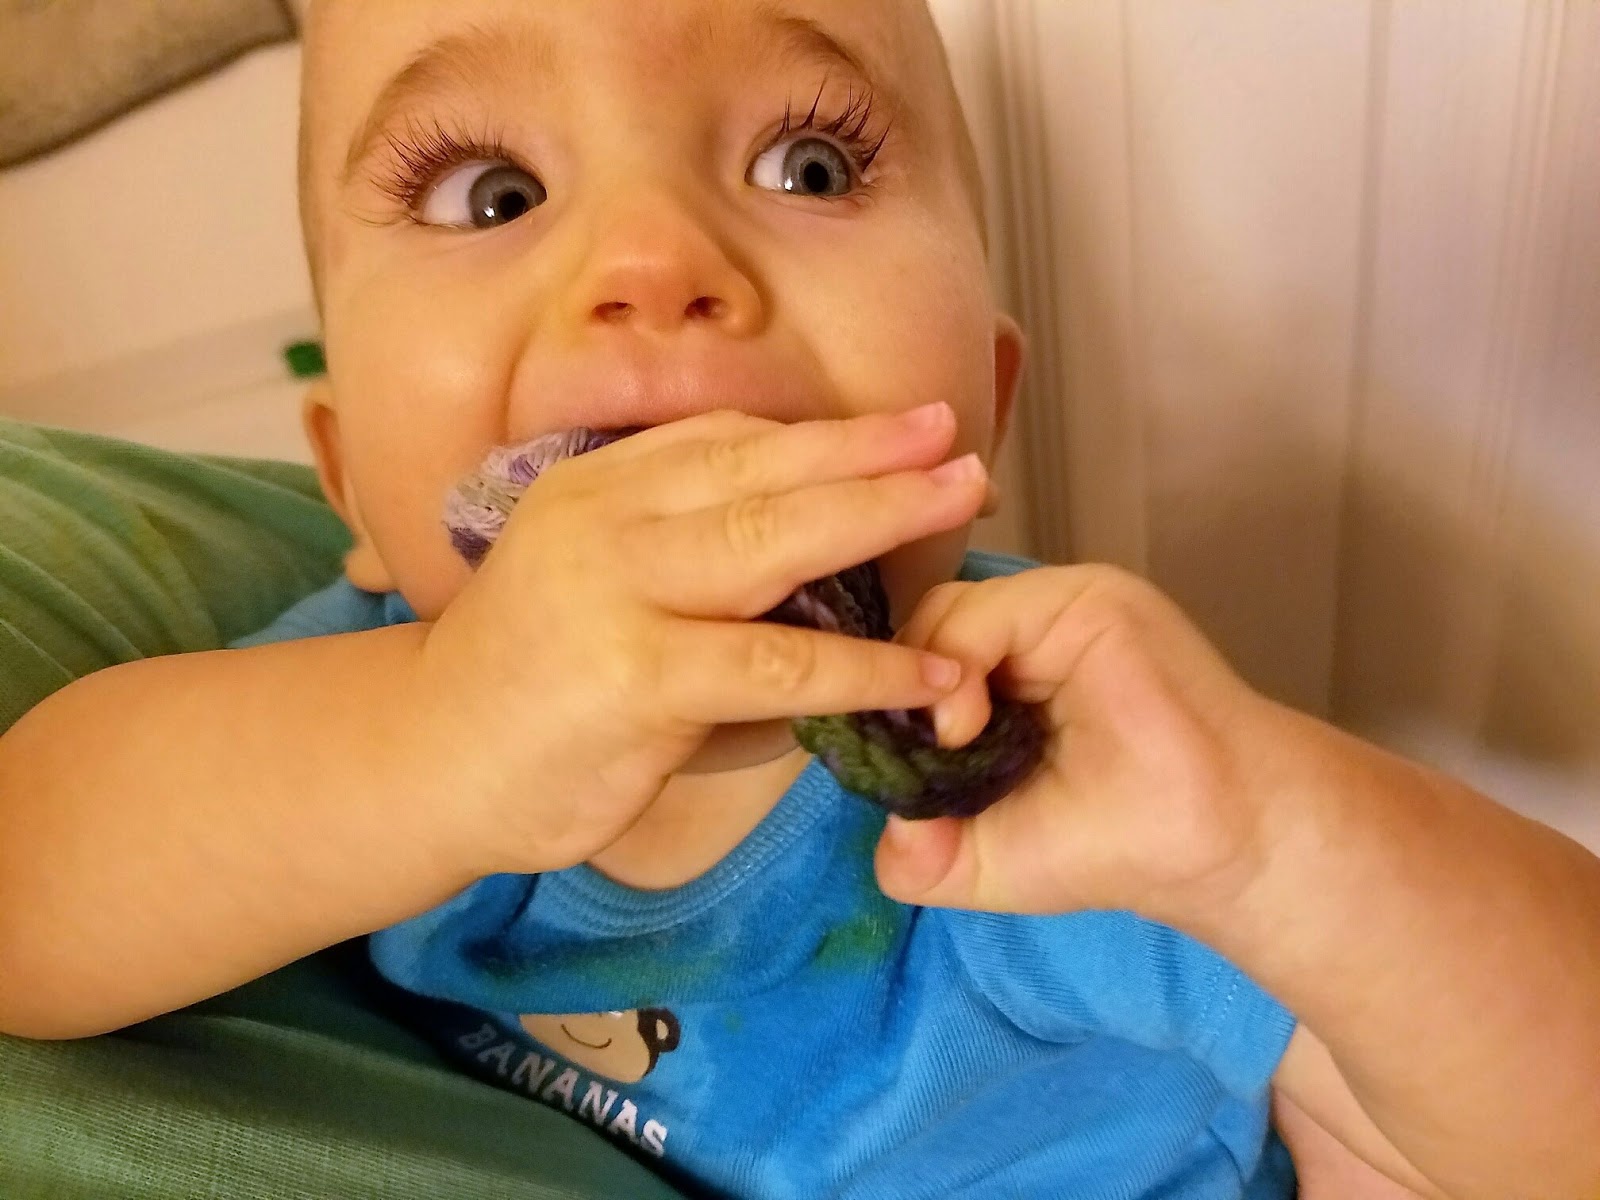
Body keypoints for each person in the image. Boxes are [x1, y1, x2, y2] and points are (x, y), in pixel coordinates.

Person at [1, 1, 1597, 1196]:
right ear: (350, 491)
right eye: (488, 191)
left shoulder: (1057, 776)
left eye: (808, 161)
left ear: (986, 404)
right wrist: (439, 732)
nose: (649, 258)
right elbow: (26, 903)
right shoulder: (359, 712)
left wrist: (1273, 837)